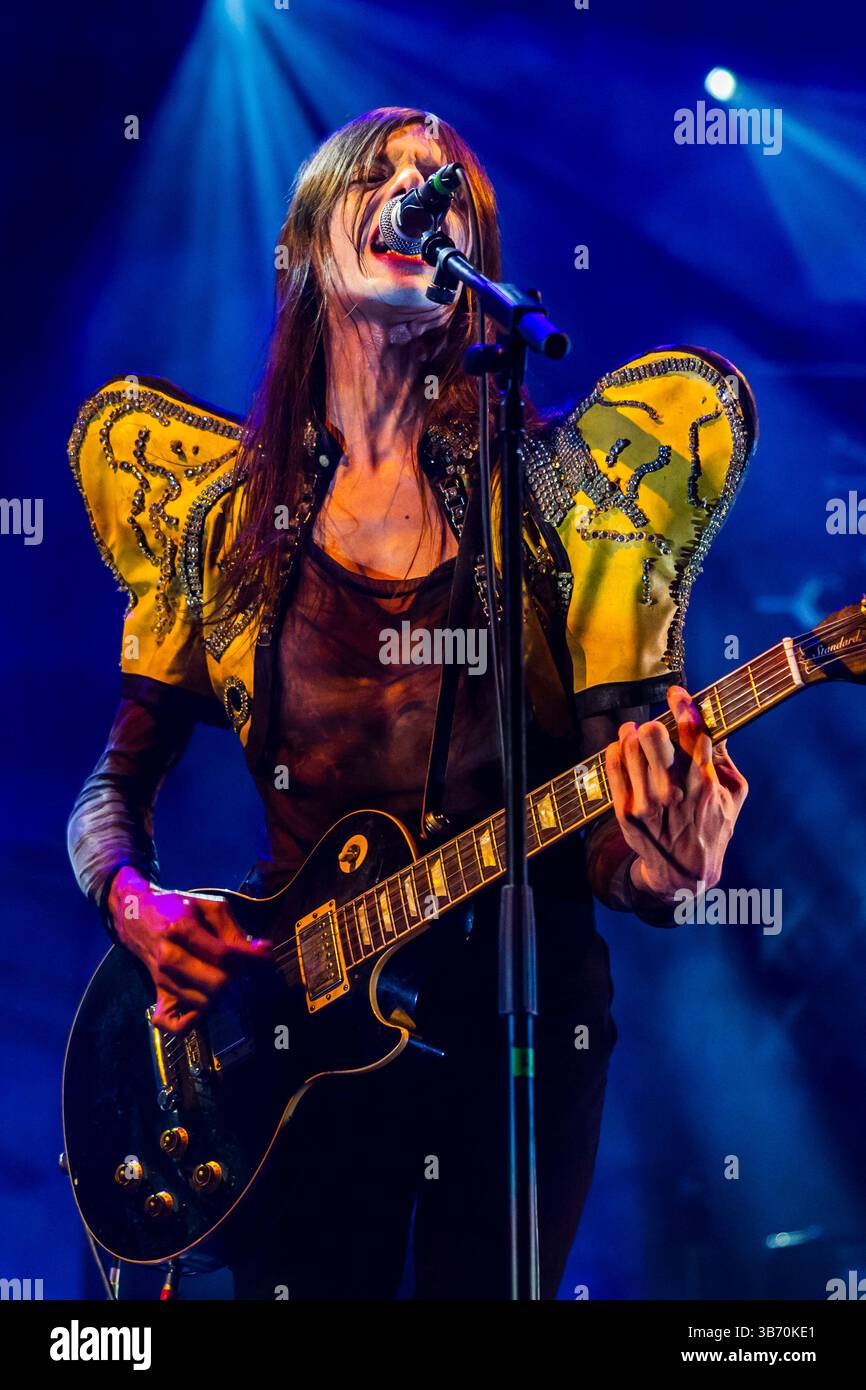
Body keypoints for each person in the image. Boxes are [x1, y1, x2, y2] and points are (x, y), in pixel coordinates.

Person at [67, 106, 753, 1299]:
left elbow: (619, 855)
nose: (413, 188)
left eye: (441, 183)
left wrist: (667, 857)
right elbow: (110, 789)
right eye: (377, 176)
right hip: (284, 1040)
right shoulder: (221, 522)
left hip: (515, 1027)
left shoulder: (551, 506)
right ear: (305, 241)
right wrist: (133, 898)